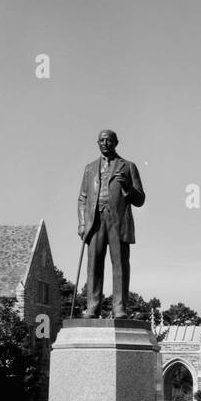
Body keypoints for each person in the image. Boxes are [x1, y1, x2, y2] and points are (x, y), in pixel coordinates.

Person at [77, 129, 145, 319]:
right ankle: (93, 306)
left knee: (120, 265)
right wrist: (82, 223)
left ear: (116, 143)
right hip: (95, 221)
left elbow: (140, 199)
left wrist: (127, 188)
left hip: (118, 221)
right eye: (101, 140)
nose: (105, 143)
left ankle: (119, 308)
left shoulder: (128, 166)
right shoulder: (90, 168)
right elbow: (82, 198)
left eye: (109, 140)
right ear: (97, 143)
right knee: (94, 265)